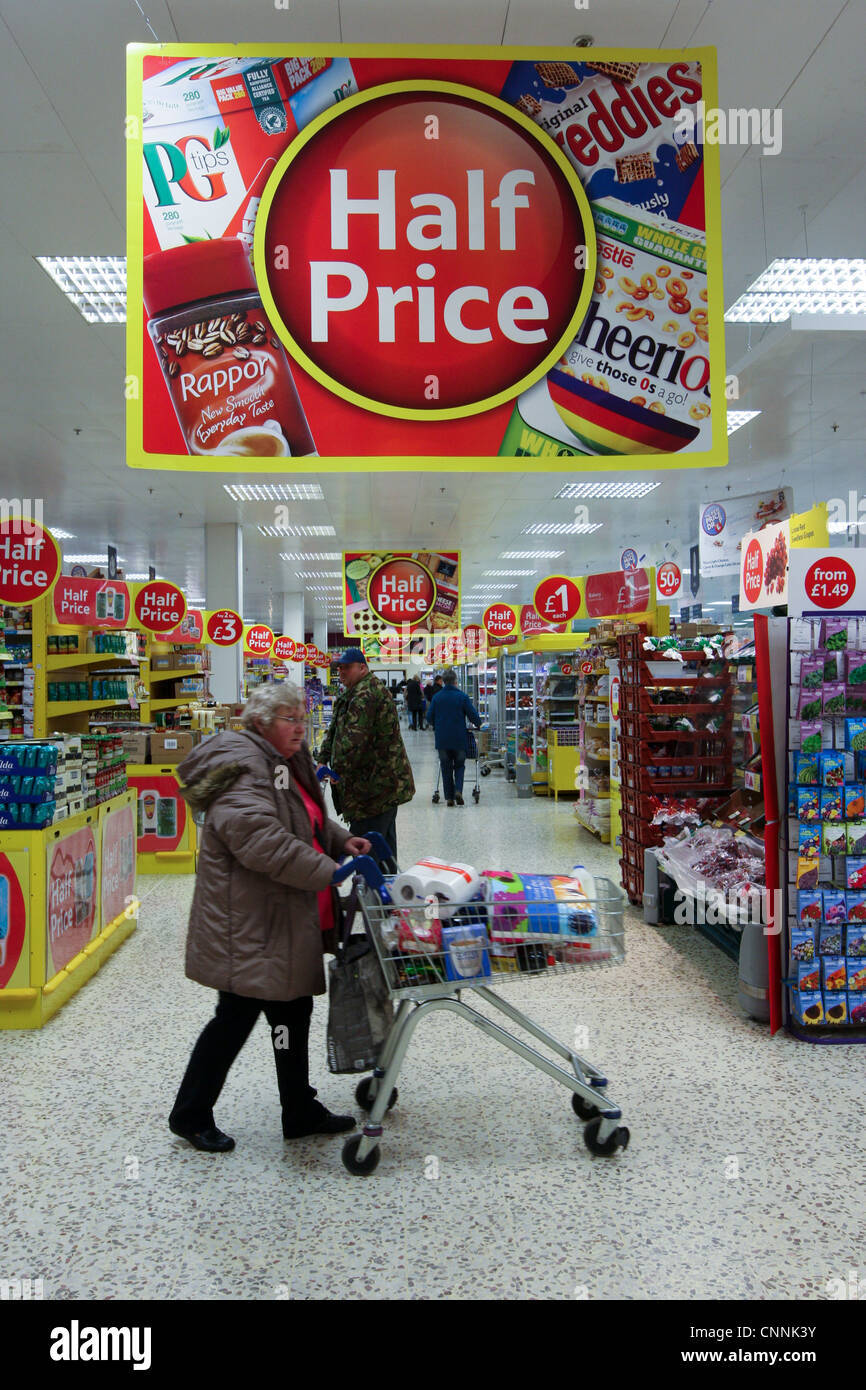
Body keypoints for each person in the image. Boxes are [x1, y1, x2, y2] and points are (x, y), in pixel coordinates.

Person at [167, 683, 371, 1154]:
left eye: (302, 716)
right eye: (288, 718)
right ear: (260, 722)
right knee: (235, 1017)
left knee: (292, 1009)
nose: (299, 726)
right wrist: (329, 869)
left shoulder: (282, 762)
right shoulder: (244, 767)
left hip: (279, 914)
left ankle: (298, 1108)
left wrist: (340, 841)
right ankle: (190, 1113)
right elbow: (260, 839)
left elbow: (304, 817)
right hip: (249, 920)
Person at [316, 649, 414, 859]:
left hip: (373, 790)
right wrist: (323, 759)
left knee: (366, 851)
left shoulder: (365, 695)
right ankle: (384, 887)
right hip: (377, 787)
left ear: (362, 667)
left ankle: (373, 890)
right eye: (339, 668)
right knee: (382, 850)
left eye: (347, 667)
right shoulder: (352, 692)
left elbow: (353, 742)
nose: (342, 672)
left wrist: (337, 774)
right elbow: (334, 729)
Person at [427, 670, 481, 807]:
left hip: (442, 740)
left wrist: (437, 725)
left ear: (444, 681)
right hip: (459, 739)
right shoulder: (462, 697)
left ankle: (449, 798)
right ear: (455, 681)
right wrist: (479, 724)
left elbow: (429, 717)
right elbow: (473, 715)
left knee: (445, 767)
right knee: (459, 766)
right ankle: (458, 791)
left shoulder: (437, 697)